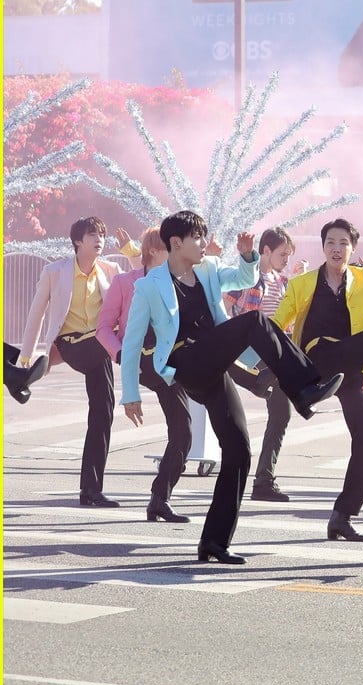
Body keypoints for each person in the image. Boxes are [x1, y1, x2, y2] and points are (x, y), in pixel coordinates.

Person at [120, 210, 343, 566]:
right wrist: (129, 394)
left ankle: (214, 542)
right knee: (254, 321)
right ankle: (304, 389)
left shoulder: (207, 270)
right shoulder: (149, 286)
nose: (204, 243)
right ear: (176, 243)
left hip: (214, 364)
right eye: (197, 238)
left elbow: (241, 277)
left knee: (239, 450)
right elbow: (131, 343)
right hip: (186, 362)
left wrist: (248, 256)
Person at [272, 218, 363, 542]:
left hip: (349, 370)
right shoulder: (302, 284)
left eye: (343, 243)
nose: (337, 248)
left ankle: (341, 517)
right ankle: (309, 390)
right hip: (318, 361)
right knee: (322, 347)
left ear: (353, 248)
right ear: (323, 247)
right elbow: (277, 326)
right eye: (331, 242)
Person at [18, 216, 125, 506]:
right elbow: (36, 313)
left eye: (101, 234)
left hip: (98, 345)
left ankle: (91, 490)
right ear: (78, 241)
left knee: (103, 413)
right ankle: (25, 372)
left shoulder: (111, 270)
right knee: (105, 352)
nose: (99, 239)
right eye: (92, 234)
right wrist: (26, 357)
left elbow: (138, 284)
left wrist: (130, 252)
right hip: (71, 343)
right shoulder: (55, 271)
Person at [96, 226, 191, 523]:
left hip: (171, 360)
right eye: (170, 248)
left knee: (183, 433)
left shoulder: (176, 282)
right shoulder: (125, 282)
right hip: (142, 360)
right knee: (183, 429)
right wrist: (123, 355)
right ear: (153, 250)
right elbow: (103, 328)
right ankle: (159, 497)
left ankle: (159, 498)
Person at [225, 227, 296, 502]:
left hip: (273, 358)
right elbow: (224, 304)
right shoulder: (249, 280)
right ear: (266, 251)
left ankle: (264, 481)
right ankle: (264, 381)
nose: (286, 260)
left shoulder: (283, 282)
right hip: (248, 353)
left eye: (289, 256)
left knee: (282, 415)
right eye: (282, 254)